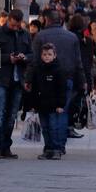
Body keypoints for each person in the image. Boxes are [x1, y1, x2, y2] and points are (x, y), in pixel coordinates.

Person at [34, 9, 84, 157]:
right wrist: (82, 81)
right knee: (61, 113)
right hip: (67, 79)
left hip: (45, 80)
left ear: (46, 20)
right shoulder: (72, 37)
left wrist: (29, 80)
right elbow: (78, 61)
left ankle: (51, 147)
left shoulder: (40, 36)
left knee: (48, 114)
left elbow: (34, 61)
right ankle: (59, 146)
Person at [0, 10, 31, 159]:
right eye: (13, 25)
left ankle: (6, 147)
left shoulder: (24, 35)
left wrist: (24, 57)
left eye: (18, 25)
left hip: (18, 80)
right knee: (0, 114)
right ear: (8, 20)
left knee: (11, 116)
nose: (16, 28)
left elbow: (32, 54)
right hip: (2, 79)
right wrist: (7, 58)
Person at [24, 44, 70, 160]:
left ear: (54, 56)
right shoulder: (38, 69)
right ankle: (48, 149)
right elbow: (34, 89)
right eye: (44, 54)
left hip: (54, 106)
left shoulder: (59, 70)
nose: (47, 57)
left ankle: (56, 149)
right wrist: (33, 105)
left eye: (49, 54)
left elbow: (62, 89)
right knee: (44, 127)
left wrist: (61, 105)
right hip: (41, 104)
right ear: (41, 55)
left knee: (53, 127)